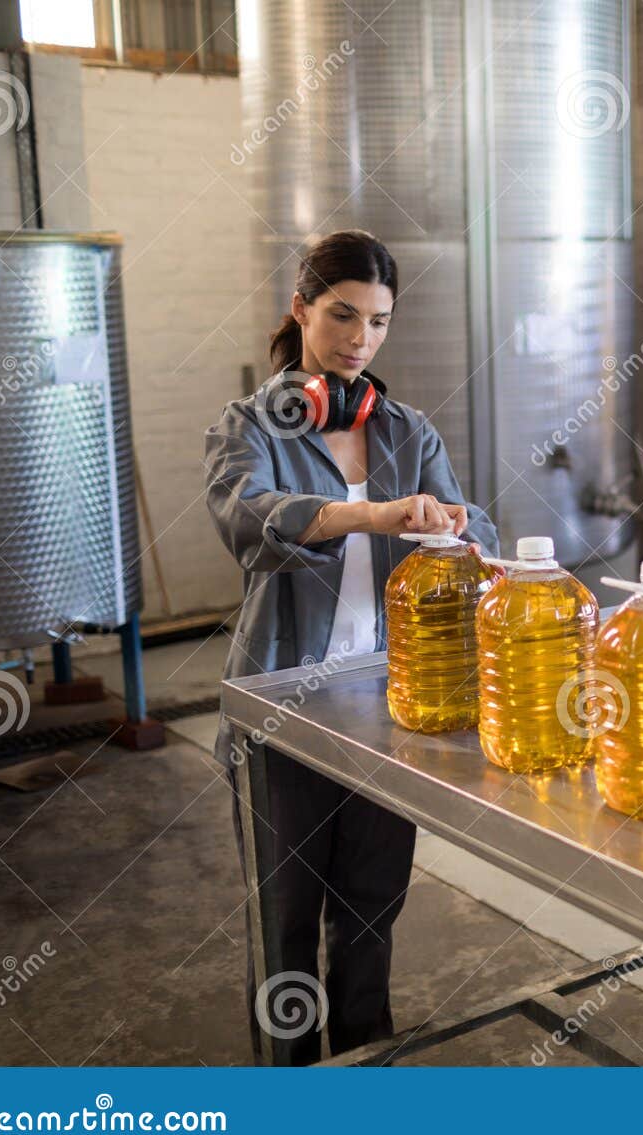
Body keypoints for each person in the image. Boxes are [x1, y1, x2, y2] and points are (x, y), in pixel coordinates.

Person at [203, 228, 498, 1063]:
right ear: (300, 310)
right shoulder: (249, 428)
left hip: (386, 708)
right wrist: (371, 514)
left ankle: (365, 1079)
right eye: (340, 315)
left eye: (378, 322)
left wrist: (461, 531)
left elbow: (475, 532)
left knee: (370, 913)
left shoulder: (408, 432)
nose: (358, 340)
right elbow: (247, 521)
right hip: (283, 710)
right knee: (286, 923)